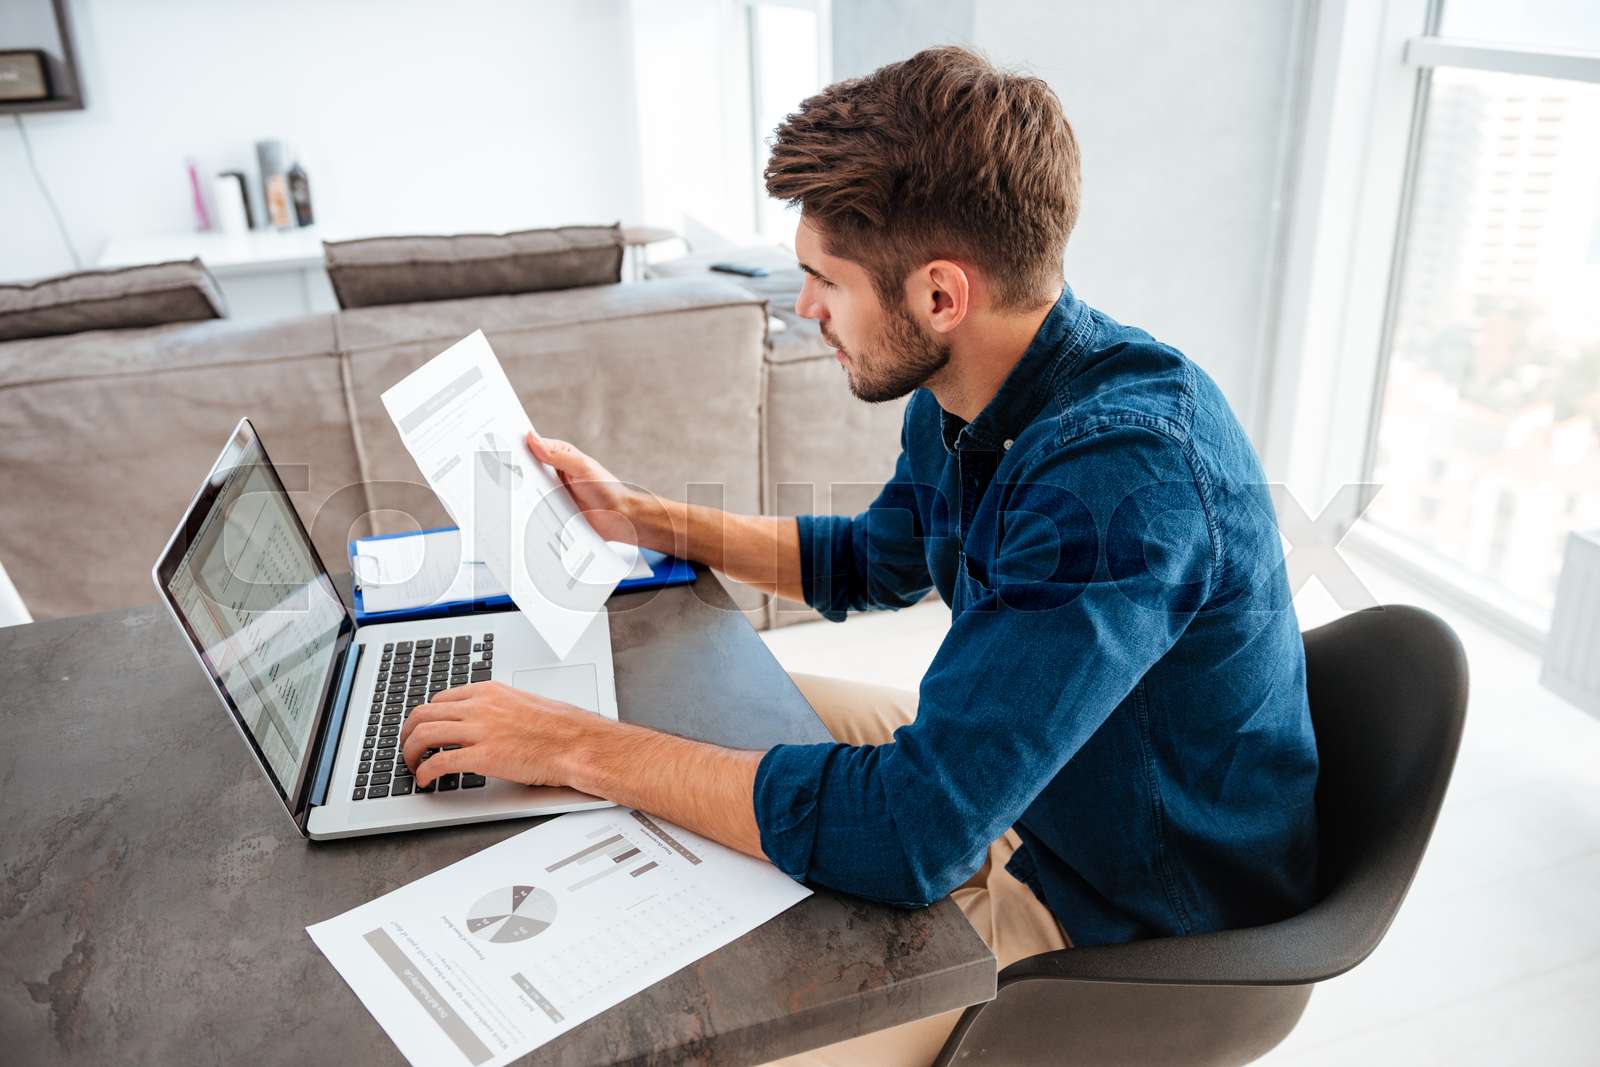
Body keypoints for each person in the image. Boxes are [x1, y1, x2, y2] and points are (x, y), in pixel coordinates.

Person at [399, 46, 1319, 1066]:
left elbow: (911, 835)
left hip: (1124, 920)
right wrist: (643, 517)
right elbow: (873, 560)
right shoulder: (973, 390)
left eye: (823, 279)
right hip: (1029, 790)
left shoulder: (1115, 477)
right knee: (684, 701)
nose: (805, 309)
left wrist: (570, 746)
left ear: (938, 295)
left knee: (704, 1020)